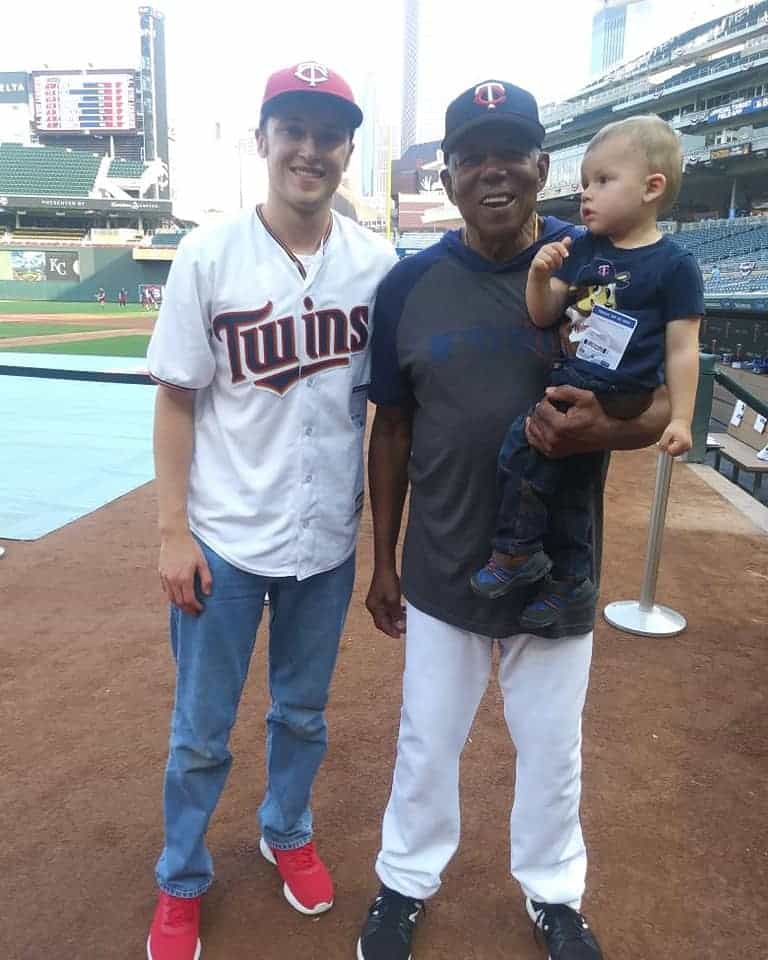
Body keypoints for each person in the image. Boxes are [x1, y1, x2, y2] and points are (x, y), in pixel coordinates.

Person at [356, 80, 671, 960]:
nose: (492, 170)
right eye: (471, 155)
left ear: (544, 167)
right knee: (426, 743)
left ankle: (554, 894)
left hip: (557, 566)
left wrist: (602, 429)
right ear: (450, 175)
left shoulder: (604, 268)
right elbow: (393, 427)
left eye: (512, 152)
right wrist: (383, 562)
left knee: (551, 749)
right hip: (442, 562)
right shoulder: (409, 286)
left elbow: (655, 406)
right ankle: (405, 882)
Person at [145, 61, 397, 960]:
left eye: (329, 133)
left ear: (347, 150)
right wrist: (173, 532)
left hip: (325, 540)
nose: (311, 148)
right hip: (224, 538)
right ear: (264, 141)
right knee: (200, 731)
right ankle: (180, 877)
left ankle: (285, 828)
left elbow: (390, 410)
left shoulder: (376, 264)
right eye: (293, 128)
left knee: (303, 713)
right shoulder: (208, 254)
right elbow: (176, 398)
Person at [471, 115, 703, 628]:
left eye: (602, 181)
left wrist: (681, 419)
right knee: (571, 484)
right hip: (583, 375)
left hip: (618, 386)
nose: (586, 195)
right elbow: (543, 312)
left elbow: (684, 349)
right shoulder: (585, 249)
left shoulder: (674, 264)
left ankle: (516, 550)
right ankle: (571, 580)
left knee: (520, 446)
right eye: (584, 184)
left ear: (652, 187)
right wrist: (539, 275)